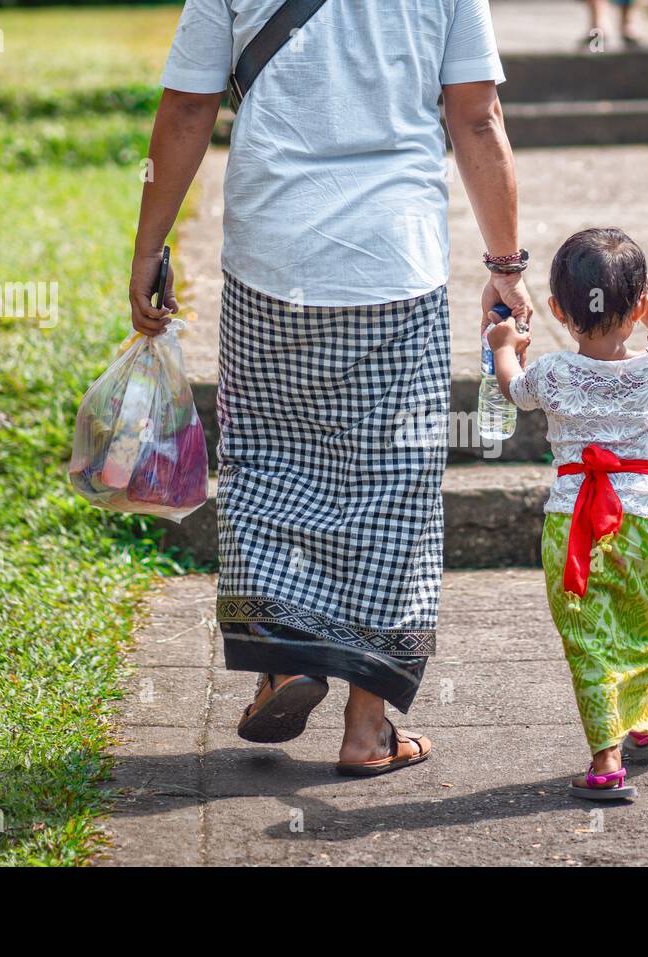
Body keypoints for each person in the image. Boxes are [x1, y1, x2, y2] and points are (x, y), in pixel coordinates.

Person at [129, 0, 534, 776]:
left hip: (272, 259)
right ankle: (367, 728)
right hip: (395, 262)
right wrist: (506, 267)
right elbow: (476, 120)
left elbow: (187, 106)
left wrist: (152, 245)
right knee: (395, 483)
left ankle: (284, 660)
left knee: (267, 459)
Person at [486, 227, 648, 800]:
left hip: (571, 524)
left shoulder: (555, 373)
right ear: (638, 304)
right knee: (644, 624)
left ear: (558, 308)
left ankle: (606, 760)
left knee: (586, 640)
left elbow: (513, 388)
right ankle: (644, 713)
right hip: (645, 524)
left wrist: (505, 344)